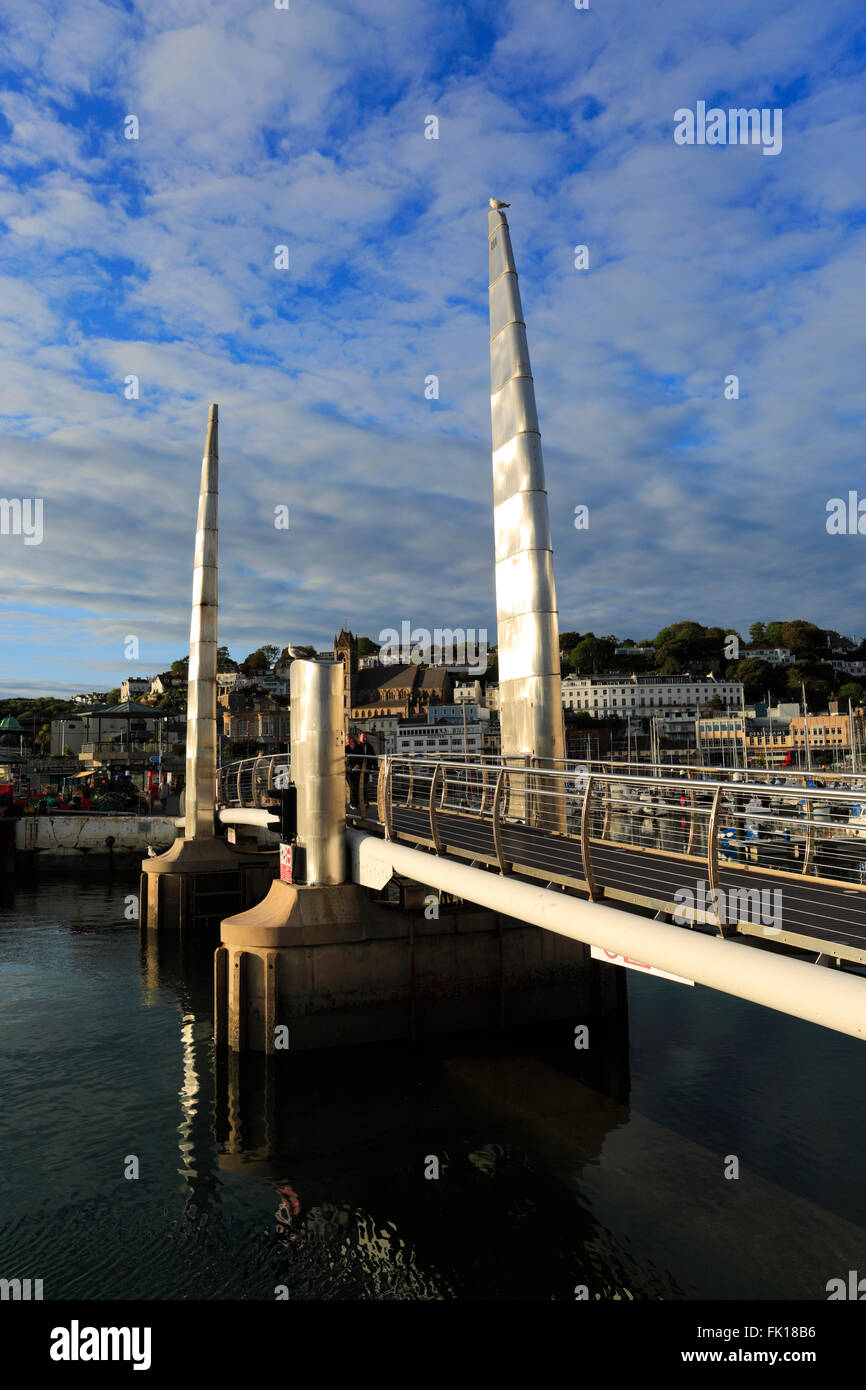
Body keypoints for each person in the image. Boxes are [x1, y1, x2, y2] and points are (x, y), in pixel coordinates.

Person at [357, 731, 378, 811]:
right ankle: (359, 802)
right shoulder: (357, 746)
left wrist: (375, 767)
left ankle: (365, 802)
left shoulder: (369, 746)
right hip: (358, 769)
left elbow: (373, 757)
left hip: (366, 769)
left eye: (366, 737)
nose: (365, 739)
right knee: (358, 787)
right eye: (363, 737)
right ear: (359, 738)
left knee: (364, 786)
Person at [345, 732, 361, 810]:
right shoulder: (346, 748)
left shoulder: (359, 747)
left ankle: (355, 803)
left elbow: (362, 758)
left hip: (357, 770)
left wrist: (358, 764)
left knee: (356, 787)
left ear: (351, 739)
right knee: (352, 787)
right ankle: (354, 803)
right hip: (349, 770)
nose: (346, 741)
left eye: (347, 739)